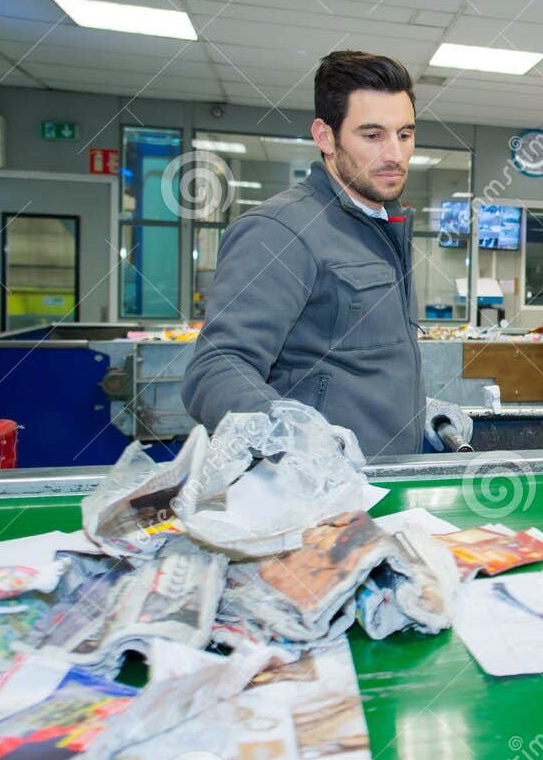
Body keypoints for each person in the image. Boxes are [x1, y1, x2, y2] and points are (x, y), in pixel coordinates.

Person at [183, 50, 471, 457]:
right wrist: (295, 441)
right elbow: (216, 370)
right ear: (325, 136)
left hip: (385, 485)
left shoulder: (385, 229)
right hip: (313, 499)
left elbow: (352, 368)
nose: (395, 154)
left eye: (404, 134)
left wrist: (412, 412)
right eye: (372, 136)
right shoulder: (279, 230)